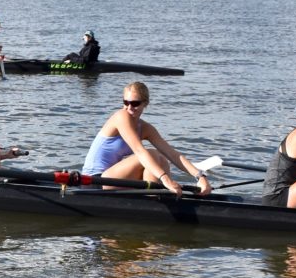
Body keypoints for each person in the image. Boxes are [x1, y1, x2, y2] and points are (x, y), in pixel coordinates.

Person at [81, 81, 212, 197]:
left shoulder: (146, 128)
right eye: (126, 102)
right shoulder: (120, 116)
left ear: (145, 103)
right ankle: (154, 198)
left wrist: (200, 176)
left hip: (113, 180)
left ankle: (157, 198)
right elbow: (139, 151)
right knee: (152, 154)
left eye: (135, 103)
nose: (129, 107)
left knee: (162, 159)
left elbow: (172, 154)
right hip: (95, 181)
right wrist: (165, 179)